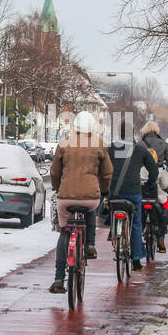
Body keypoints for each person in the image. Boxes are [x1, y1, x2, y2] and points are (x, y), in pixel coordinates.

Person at [47, 111, 112, 294]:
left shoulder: (64, 142)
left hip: (66, 197)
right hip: (90, 196)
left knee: (64, 232)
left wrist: (57, 186)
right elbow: (107, 172)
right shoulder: (98, 144)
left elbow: (54, 172)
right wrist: (104, 189)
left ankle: (59, 279)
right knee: (91, 208)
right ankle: (90, 245)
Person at [107, 120, 157, 271]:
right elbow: (153, 170)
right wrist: (151, 183)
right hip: (134, 192)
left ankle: (114, 232)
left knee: (111, 210)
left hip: (115, 192)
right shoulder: (141, 150)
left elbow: (102, 169)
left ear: (119, 134)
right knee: (135, 223)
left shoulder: (110, 149)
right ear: (133, 133)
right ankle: (136, 260)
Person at [139, 121, 168, 253]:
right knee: (164, 205)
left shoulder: (140, 144)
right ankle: (161, 236)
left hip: (142, 187)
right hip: (158, 181)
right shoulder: (163, 143)